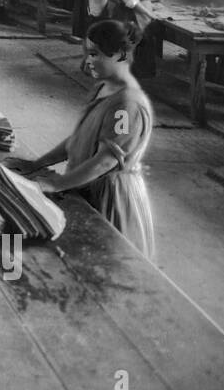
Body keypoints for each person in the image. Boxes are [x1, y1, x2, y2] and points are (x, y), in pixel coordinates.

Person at [8, 19, 156, 261]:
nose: (87, 61)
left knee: (106, 263)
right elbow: (79, 139)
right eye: (87, 53)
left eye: (95, 54)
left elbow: (105, 162)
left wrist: (58, 184)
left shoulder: (126, 104)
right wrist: (38, 164)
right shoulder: (105, 89)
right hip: (86, 184)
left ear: (120, 55)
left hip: (109, 196)